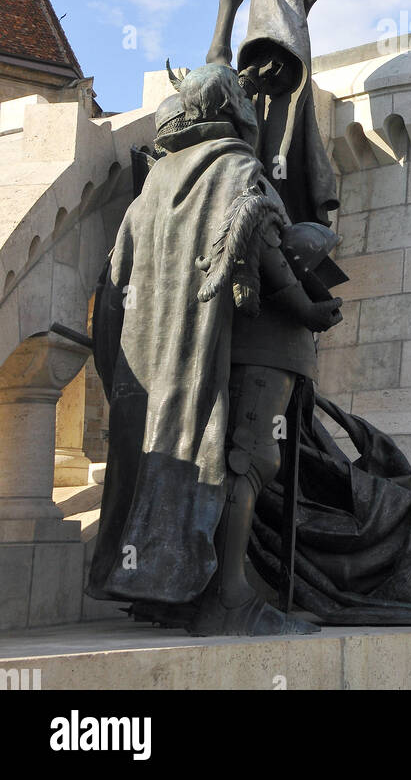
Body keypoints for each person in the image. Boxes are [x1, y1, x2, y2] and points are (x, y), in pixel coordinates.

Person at [88, 63, 343, 635]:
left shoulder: (153, 187)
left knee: (208, 459)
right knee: (248, 458)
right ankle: (228, 599)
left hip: (163, 364)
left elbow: (113, 286)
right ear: (233, 110)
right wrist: (307, 308)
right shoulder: (235, 168)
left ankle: (167, 593)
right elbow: (257, 239)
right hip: (226, 345)